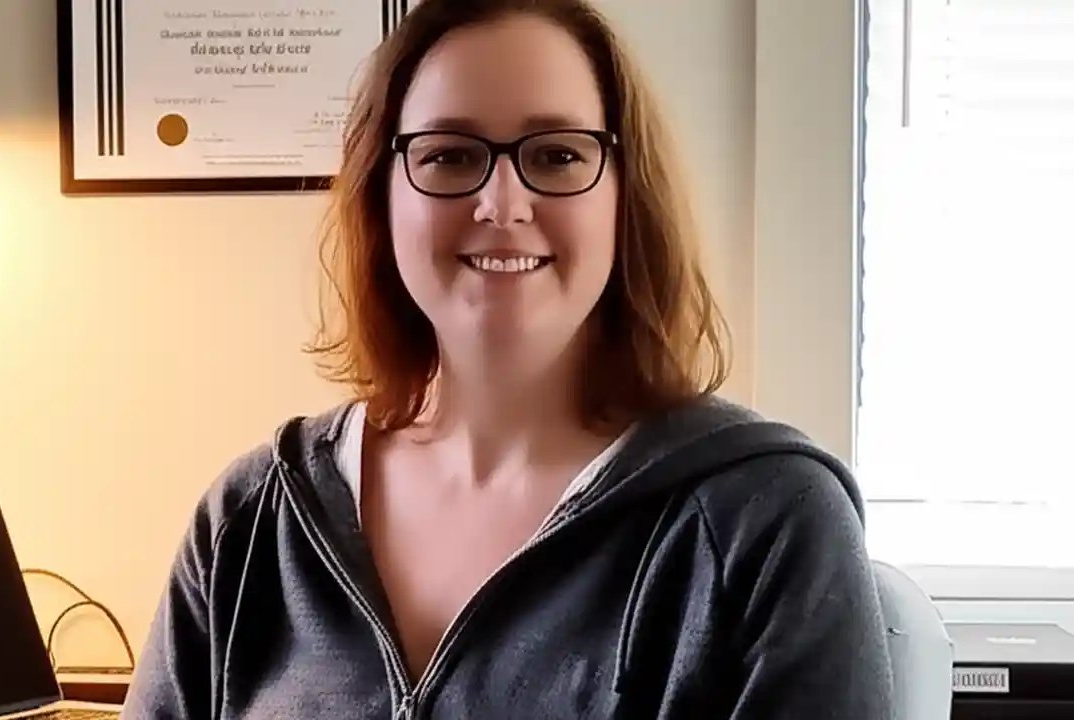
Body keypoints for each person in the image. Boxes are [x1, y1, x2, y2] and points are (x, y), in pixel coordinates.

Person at [122, 0, 895, 717]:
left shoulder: (768, 523)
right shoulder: (251, 521)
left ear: (626, 194)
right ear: (382, 193)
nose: (502, 203)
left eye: (557, 155)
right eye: (451, 156)